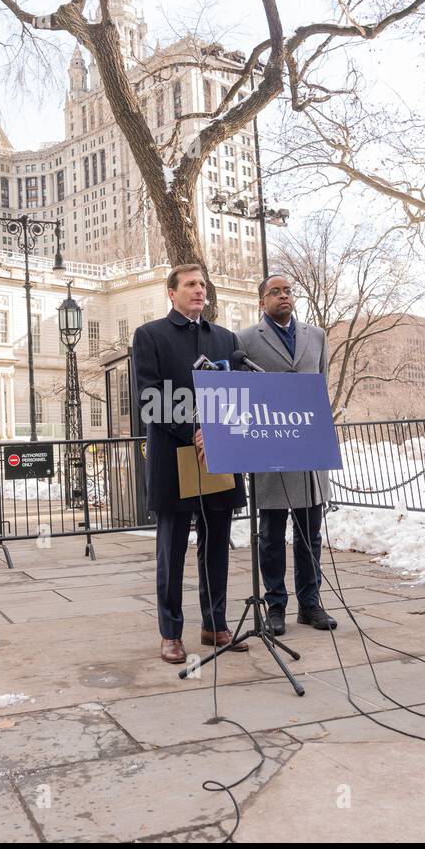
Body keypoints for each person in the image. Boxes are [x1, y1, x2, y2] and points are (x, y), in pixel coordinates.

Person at [131, 264, 249, 664]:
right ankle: (171, 632)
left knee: (217, 543)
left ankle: (214, 624)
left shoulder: (226, 340)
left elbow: (235, 395)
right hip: (174, 456)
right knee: (173, 548)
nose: (199, 290)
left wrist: (217, 434)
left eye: (202, 285)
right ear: (172, 293)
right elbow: (149, 396)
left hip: (218, 456)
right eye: (191, 285)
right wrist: (194, 431)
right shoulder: (150, 335)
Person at [237, 274, 336, 634]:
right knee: (271, 535)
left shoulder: (317, 336)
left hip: (308, 447)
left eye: (287, 291)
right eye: (274, 292)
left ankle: (310, 605)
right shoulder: (246, 340)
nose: (283, 296)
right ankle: (275, 605)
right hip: (270, 448)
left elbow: (320, 385)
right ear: (262, 301)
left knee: (310, 534)